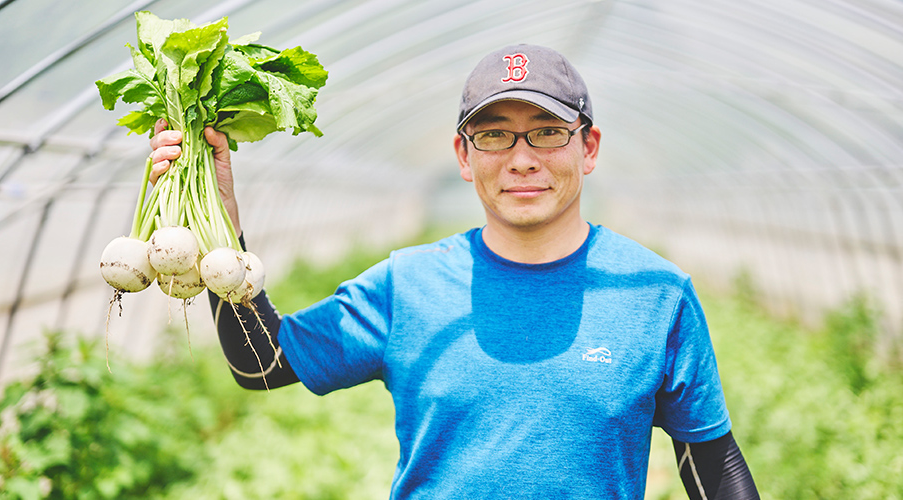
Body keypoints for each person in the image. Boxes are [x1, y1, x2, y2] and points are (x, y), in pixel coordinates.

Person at [150, 44, 759, 499]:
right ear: (464, 157)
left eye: (547, 133)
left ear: (589, 147)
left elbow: (707, 457)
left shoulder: (654, 293)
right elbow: (261, 366)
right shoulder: (406, 284)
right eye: (495, 136)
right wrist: (218, 232)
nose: (522, 160)